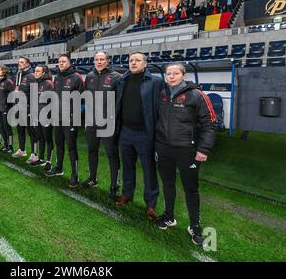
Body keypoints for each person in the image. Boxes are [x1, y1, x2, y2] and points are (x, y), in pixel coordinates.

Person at [154, 63, 216, 246]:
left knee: (191, 188)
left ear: (183, 75)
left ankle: (195, 226)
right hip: (164, 148)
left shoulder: (196, 95)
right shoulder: (162, 93)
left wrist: (203, 149)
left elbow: (209, 124)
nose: (171, 76)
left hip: (187, 150)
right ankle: (169, 216)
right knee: (167, 183)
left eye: (175, 73)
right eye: (168, 74)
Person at [115, 52, 164, 221]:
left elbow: (161, 107)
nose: (133, 63)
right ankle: (127, 194)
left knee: (149, 170)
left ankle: (150, 204)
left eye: (137, 60)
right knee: (128, 166)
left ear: (145, 64)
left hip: (145, 133)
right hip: (126, 132)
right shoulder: (122, 80)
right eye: (131, 60)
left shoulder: (155, 82)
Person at [83, 51, 121, 202]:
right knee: (92, 151)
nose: (99, 62)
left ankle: (114, 186)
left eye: (102, 59)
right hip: (91, 121)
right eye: (96, 59)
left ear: (107, 61)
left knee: (112, 154)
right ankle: (92, 179)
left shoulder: (116, 77)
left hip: (108, 122)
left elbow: (119, 101)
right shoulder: (90, 76)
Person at [45, 54, 85, 188]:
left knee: (71, 147)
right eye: (59, 62)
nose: (61, 63)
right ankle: (59, 168)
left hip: (71, 119)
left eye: (64, 61)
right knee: (59, 144)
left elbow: (84, 99)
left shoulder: (76, 77)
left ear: (69, 63)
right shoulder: (57, 77)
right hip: (57, 118)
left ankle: (75, 175)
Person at [28, 64, 55, 170]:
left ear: (44, 72)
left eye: (38, 71)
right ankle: (41, 158)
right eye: (35, 71)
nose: (35, 72)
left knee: (48, 139)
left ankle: (49, 161)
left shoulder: (49, 84)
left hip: (46, 116)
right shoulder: (34, 83)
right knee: (40, 138)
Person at [12, 57, 37, 162]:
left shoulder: (31, 76)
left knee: (31, 132)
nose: (19, 64)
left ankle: (34, 154)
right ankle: (22, 150)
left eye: (22, 62)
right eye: (19, 62)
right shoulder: (19, 74)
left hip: (28, 108)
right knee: (20, 129)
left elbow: (34, 94)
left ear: (28, 64)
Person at [0, 65, 15, 153]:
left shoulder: (8, 81)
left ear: (4, 71)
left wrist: (8, 106)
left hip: (6, 109)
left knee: (7, 128)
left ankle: (10, 147)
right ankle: (5, 145)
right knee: (1, 127)